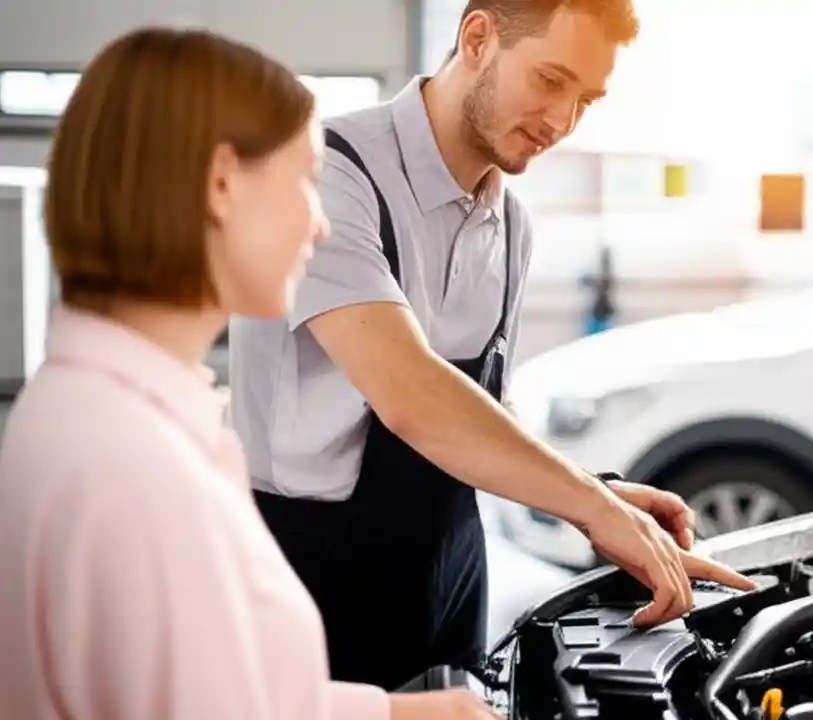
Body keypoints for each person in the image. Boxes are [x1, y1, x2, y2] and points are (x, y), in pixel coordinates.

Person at [230, 0, 754, 691]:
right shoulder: (329, 174)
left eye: (586, 100)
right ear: (477, 37)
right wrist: (586, 509)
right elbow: (412, 396)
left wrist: (603, 495)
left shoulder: (511, 224)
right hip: (307, 591)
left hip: (447, 587)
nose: (562, 122)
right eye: (549, 79)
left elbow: (475, 416)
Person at [0, 26, 498, 719]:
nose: (321, 226)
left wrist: (396, 714)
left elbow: (216, 694)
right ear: (222, 184)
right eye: (304, 179)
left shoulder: (114, 415)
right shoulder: (130, 466)